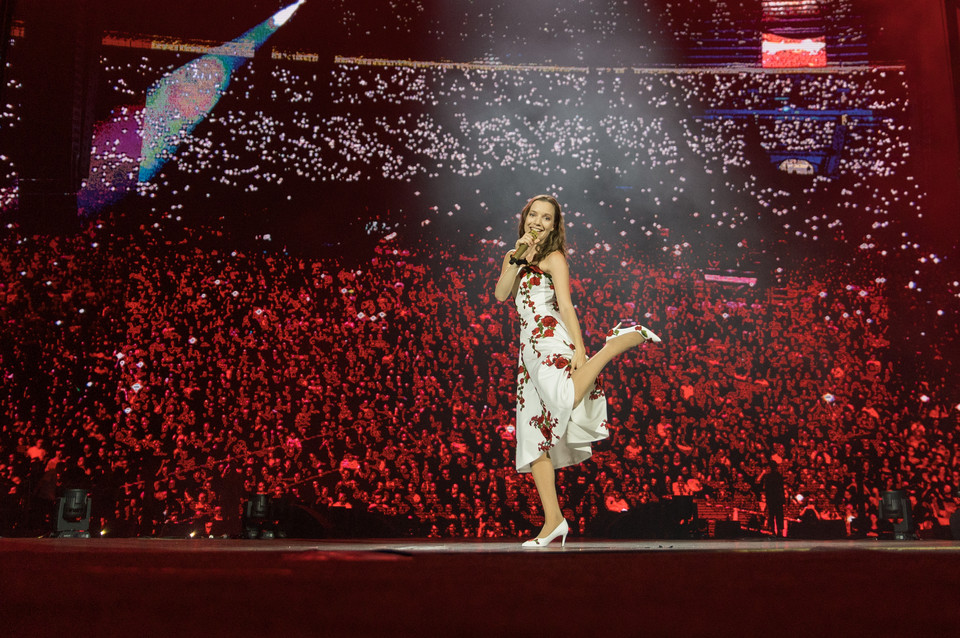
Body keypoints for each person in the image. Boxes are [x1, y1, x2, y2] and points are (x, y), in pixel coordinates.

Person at [494, 194, 661, 547]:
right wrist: (517, 254)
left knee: (563, 397)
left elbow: (567, 306)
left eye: (546, 218)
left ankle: (611, 346)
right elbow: (500, 294)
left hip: (551, 336)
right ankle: (553, 520)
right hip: (528, 349)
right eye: (533, 216)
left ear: (554, 226)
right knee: (531, 438)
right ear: (525, 219)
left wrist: (581, 348)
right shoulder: (514, 256)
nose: (537, 222)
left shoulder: (555, 258)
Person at [760, 460, 786, 537]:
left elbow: (766, 489)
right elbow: (781, 489)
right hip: (778, 500)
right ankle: (779, 531)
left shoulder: (768, 477)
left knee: (772, 515)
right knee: (779, 516)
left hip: (771, 500)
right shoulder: (779, 476)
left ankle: (772, 531)